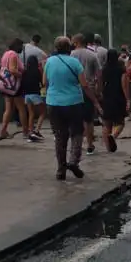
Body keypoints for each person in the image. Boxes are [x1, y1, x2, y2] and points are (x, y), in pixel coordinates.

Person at [43, 36, 102, 180]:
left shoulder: (49, 61)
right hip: (73, 102)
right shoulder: (74, 62)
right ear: (69, 48)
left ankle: (61, 170)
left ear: (56, 48)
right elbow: (84, 85)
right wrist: (95, 101)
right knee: (77, 133)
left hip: (54, 103)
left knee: (60, 136)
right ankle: (73, 161)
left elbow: (45, 82)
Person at [71, 33, 101, 154]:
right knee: (89, 119)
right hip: (89, 89)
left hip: (74, 90)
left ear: (77, 42)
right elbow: (99, 74)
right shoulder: (92, 55)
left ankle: (76, 144)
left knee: (75, 119)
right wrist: (99, 90)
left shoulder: (71, 55)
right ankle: (89, 144)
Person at [0, 39, 31, 141]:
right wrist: (22, 75)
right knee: (21, 108)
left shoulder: (6, 54)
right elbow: (12, 70)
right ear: (17, 46)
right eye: (21, 46)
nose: (22, 48)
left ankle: (3, 131)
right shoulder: (13, 54)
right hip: (14, 86)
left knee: (8, 109)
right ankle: (25, 131)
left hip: (7, 85)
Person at [100, 48, 130, 152]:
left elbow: (100, 83)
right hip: (118, 96)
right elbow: (124, 84)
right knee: (120, 122)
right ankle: (113, 136)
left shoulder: (103, 69)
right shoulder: (121, 69)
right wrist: (127, 98)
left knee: (106, 123)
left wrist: (100, 94)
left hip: (107, 96)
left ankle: (108, 148)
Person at [21, 53, 46, 140]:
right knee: (43, 112)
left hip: (27, 96)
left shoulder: (24, 72)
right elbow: (43, 83)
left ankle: (30, 132)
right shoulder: (37, 71)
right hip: (35, 94)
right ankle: (36, 130)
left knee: (31, 113)